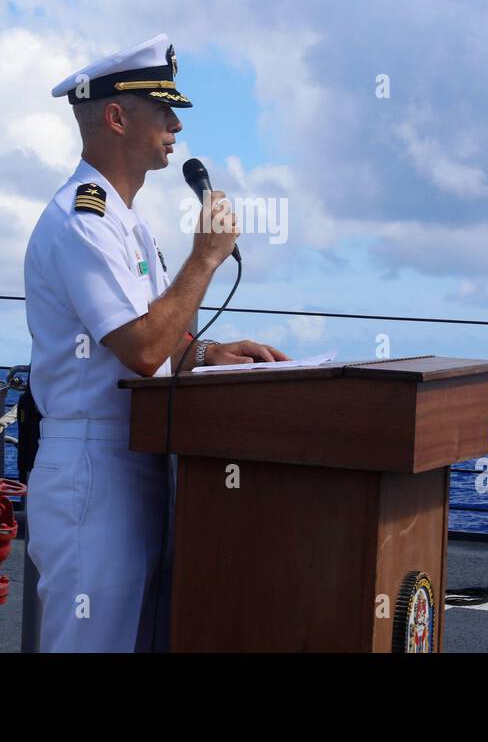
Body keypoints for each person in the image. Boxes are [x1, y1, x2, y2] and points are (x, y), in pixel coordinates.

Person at [23, 33, 290, 652]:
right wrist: (204, 259)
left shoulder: (124, 221)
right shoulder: (82, 220)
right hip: (95, 465)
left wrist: (206, 354)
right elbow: (142, 350)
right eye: (163, 110)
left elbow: (156, 341)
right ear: (116, 117)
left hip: (134, 459)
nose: (175, 125)